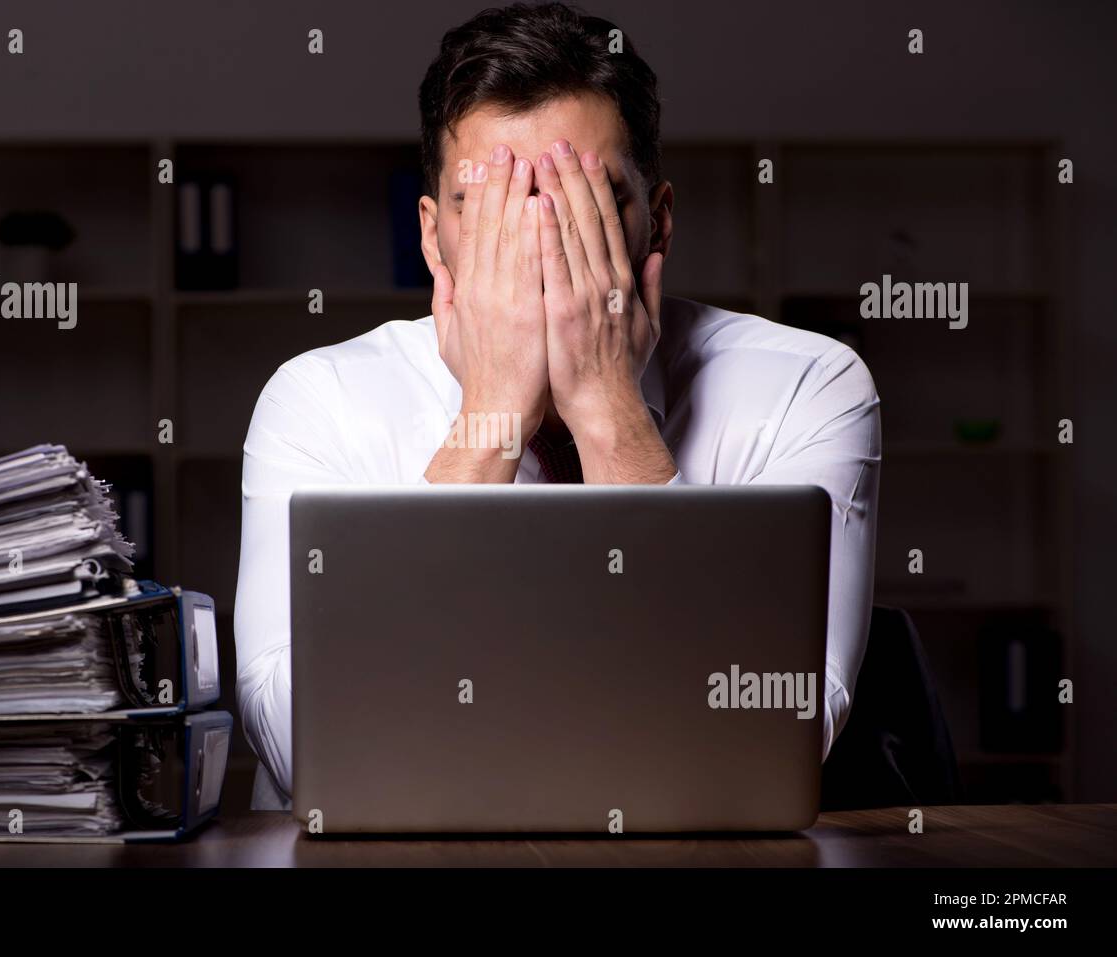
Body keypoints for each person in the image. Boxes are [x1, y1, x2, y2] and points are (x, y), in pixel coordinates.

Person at [235, 2, 880, 810]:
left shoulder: (805, 385)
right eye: (497, 203)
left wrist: (610, 411)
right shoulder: (317, 398)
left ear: (659, 223)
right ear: (435, 238)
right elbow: (303, 751)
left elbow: (771, 736)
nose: (543, 240)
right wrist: (492, 418)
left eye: (583, 199)